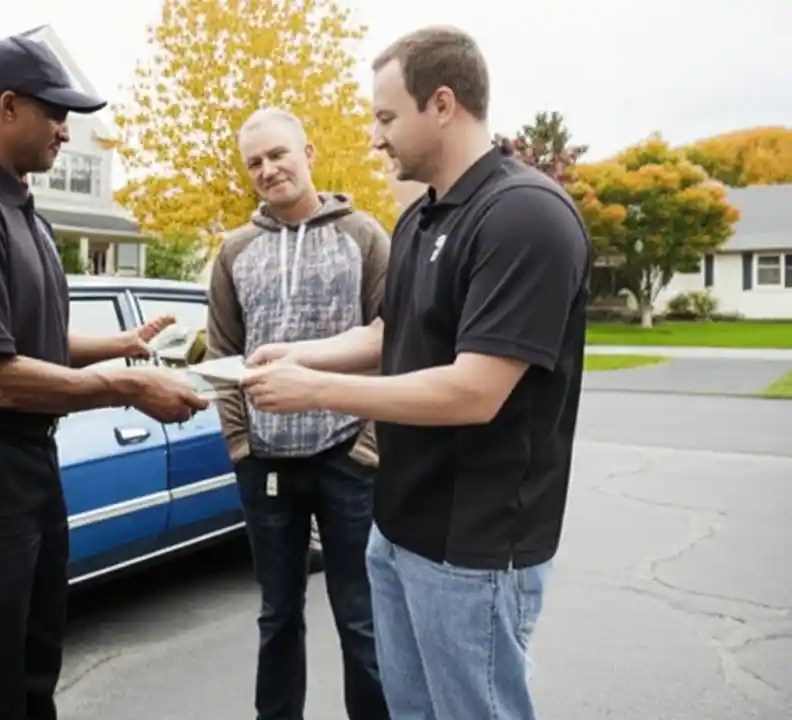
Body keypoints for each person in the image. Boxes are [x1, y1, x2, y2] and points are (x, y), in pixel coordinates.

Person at [240, 26, 592, 720]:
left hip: (476, 547)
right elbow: (390, 335)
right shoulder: (422, 220)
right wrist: (301, 354)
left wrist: (315, 391)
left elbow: (475, 389)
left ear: (441, 103)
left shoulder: (524, 215)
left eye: (385, 116)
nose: (376, 137)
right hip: (397, 528)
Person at [0, 36, 209, 720]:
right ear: (8, 107)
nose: (68, 129)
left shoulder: (21, 213)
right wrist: (129, 388)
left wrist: (118, 348)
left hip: (26, 459)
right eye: (57, 112)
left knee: (33, 658)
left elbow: (29, 341)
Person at [206, 107, 391, 720]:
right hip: (267, 466)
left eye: (278, 154)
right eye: (254, 162)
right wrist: (241, 448)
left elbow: (391, 340)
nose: (267, 169)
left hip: (347, 457)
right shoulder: (235, 251)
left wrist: (367, 444)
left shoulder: (364, 236)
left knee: (361, 618)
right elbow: (222, 355)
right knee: (276, 616)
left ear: (309, 152)